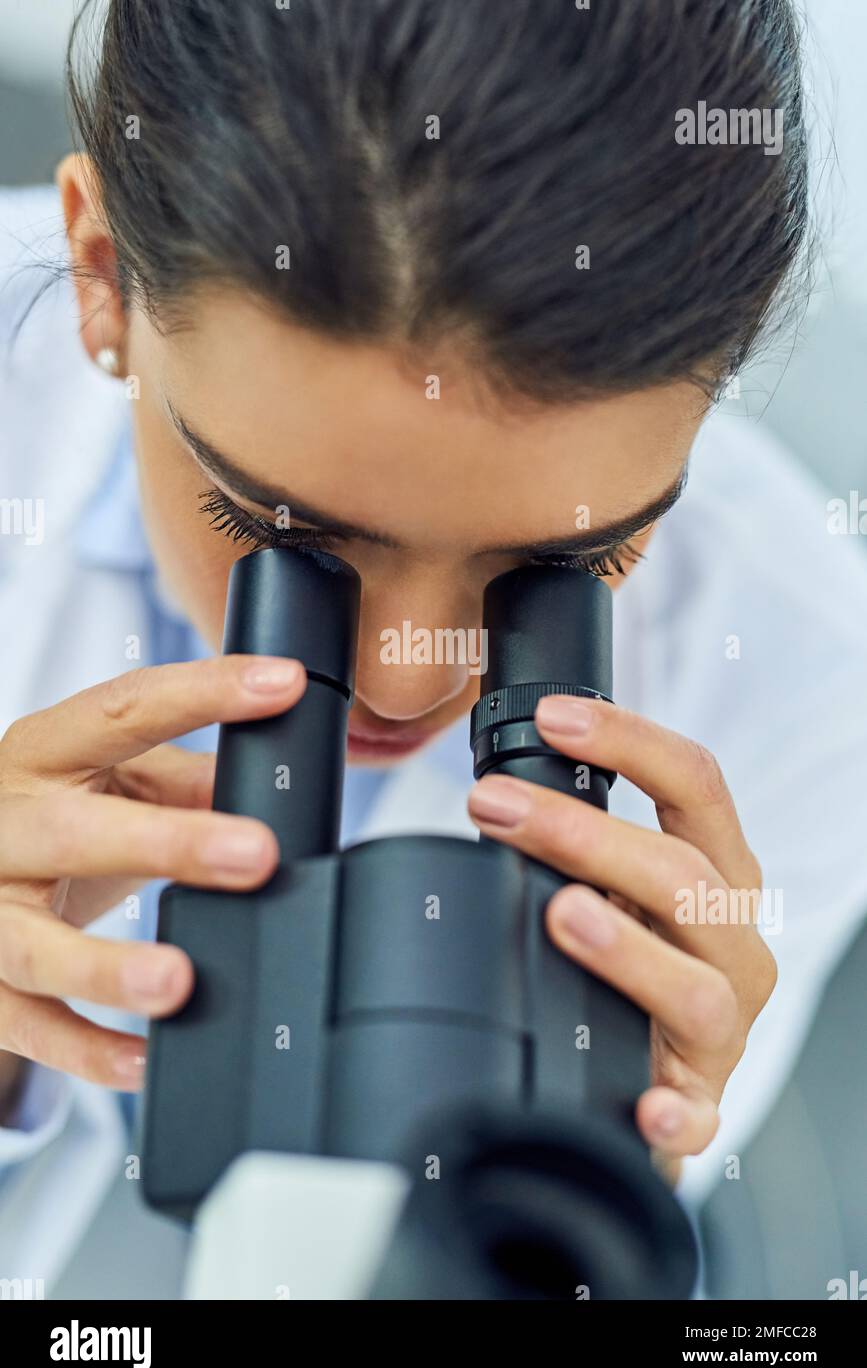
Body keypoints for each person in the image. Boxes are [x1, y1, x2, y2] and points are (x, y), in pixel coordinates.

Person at [1, 0, 866, 1294]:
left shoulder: (803, 666)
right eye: (267, 525)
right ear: (104, 278)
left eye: (561, 570)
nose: (408, 678)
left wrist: (562, 1214)